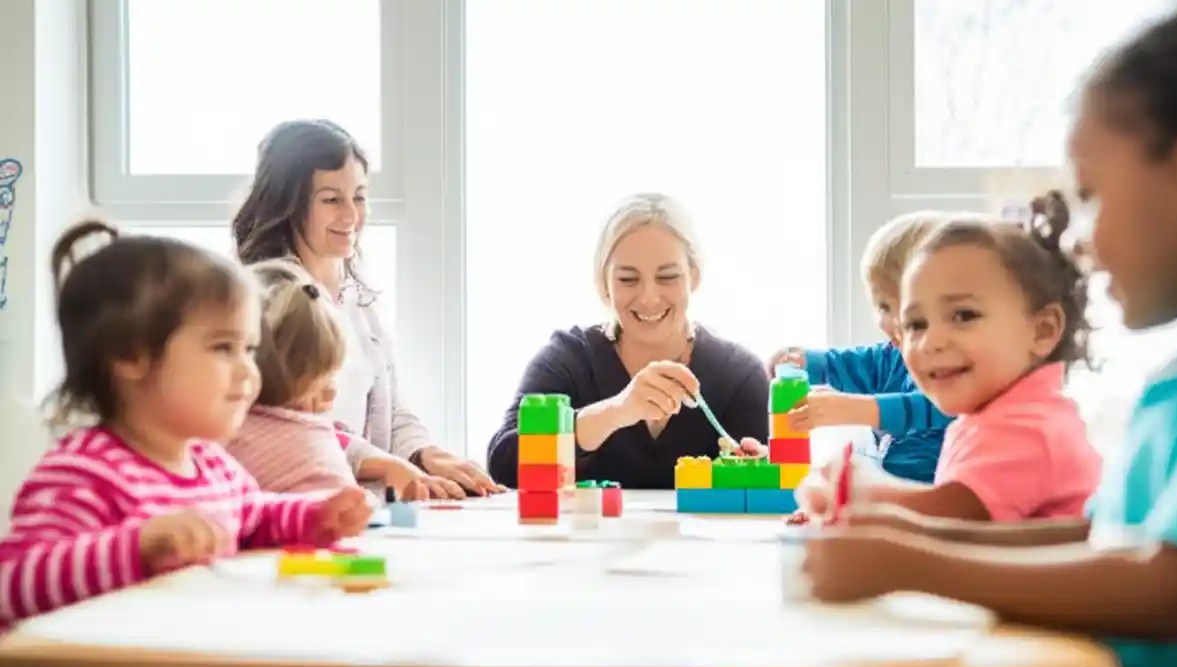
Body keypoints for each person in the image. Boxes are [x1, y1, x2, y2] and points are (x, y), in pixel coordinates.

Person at [804, 2, 1177, 667]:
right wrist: (924, 530)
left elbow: (1170, 588)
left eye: (1090, 198)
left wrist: (917, 563)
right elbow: (1111, 535)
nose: (1079, 241)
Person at [0, 222, 371, 667]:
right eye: (223, 348)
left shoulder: (211, 464)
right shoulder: (81, 473)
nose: (248, 372)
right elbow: (13, 583)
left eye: (248, 349)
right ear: (130, 356)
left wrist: (313, 518)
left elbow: (251, 515)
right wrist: (137, 546)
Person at [233, 119, 501, 496]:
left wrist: (424, 453)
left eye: (359, 196)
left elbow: (391, 404)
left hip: (356, 499)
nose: (351, 215)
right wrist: (383, 462)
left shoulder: (357, 300)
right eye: (331, 199)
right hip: (294, 500)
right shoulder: (270, 302)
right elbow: (280, 423)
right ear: (287, 204)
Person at [798, 195, 1100, 523]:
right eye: (915, 324)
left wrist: (859, 490)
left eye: (963, 315)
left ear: (1041, 330)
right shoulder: (994, 416)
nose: (931, 341)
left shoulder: (1030, 428)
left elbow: (949, 518)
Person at [487, 193, 769, 489]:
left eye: (668, 277)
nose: (648, 298)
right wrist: (617, 411)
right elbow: (504, 464)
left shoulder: (738, 374)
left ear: (693, 277)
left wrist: (767, 473)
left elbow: (769, 499)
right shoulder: (568, 360)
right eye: (628, 280)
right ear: (603, 284)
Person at [226, 260, 465, 501]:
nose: (331, 394)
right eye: (317, 384)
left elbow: (343, 441)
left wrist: (396, 465)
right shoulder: (234, 437)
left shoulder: (316, 428)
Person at [769, 211, 953, 484]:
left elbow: (933, 406)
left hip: (934, 494)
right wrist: (806, 361)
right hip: (889, 487)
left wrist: (857, 409)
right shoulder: (891, 356)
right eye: (882, 307)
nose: (890, 321)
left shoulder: (953, 365)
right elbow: (853, 364)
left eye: (902, 307)